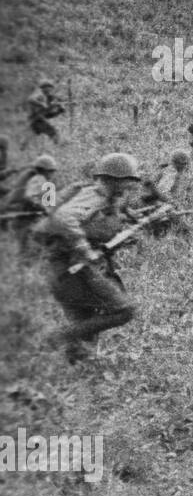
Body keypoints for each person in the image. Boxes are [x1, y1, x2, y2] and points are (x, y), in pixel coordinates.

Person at [37, 153, 142, 363]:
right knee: (125, 310)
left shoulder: (107, 200)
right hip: (70, 267)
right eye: (127, 180)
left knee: (85, 334)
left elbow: (92, 227)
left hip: (65, 267)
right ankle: (54, 338)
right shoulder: (94, 196)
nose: (130, 185)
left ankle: (75, 368)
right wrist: (84, 248)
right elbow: (63, 218)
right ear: (113, 180)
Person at [1, 154, 59, 249]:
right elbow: (30, 197)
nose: (53, 174)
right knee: (24, 246)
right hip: (22, 215)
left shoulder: (30, 176)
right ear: (45, 171)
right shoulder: (39, 179)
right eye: (51, 171)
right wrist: (44, 208)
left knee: (22, 245)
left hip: (19, 213)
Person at [27, 79, 66, 144]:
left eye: (51, 88)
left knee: (31, 138)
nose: (50, 90)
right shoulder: (40, 94)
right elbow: (30, 99)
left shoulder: (47, 98)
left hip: (36, 121)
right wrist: (42, 104)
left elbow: (48, 115)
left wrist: (59, 111)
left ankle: (23, 147)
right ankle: (60, 148)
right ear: (44, 88)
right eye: (49, 88)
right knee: (54, 134)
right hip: (36, 120)